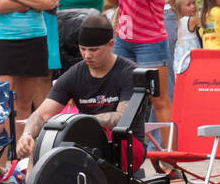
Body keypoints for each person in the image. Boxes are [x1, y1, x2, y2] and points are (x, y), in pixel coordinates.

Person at [15, 13, 145, 168]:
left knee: (86, 135)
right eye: (83, 49)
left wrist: (78, 123)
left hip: (127, 144)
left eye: (94, 50)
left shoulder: (129, 72)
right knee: (40, 146)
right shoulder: (75, 73)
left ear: (111, 44)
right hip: (83, 139)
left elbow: (121, 117)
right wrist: (27, 135)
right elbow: (42, 114)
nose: (87, 55)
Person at [171, 0, 201, 75]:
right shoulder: (192, 20)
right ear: (179, 8)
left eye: (194, 3)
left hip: (179, 58)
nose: (193, 6)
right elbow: (208, 24)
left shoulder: (177, 21)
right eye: (188, 4)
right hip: (190, 58)